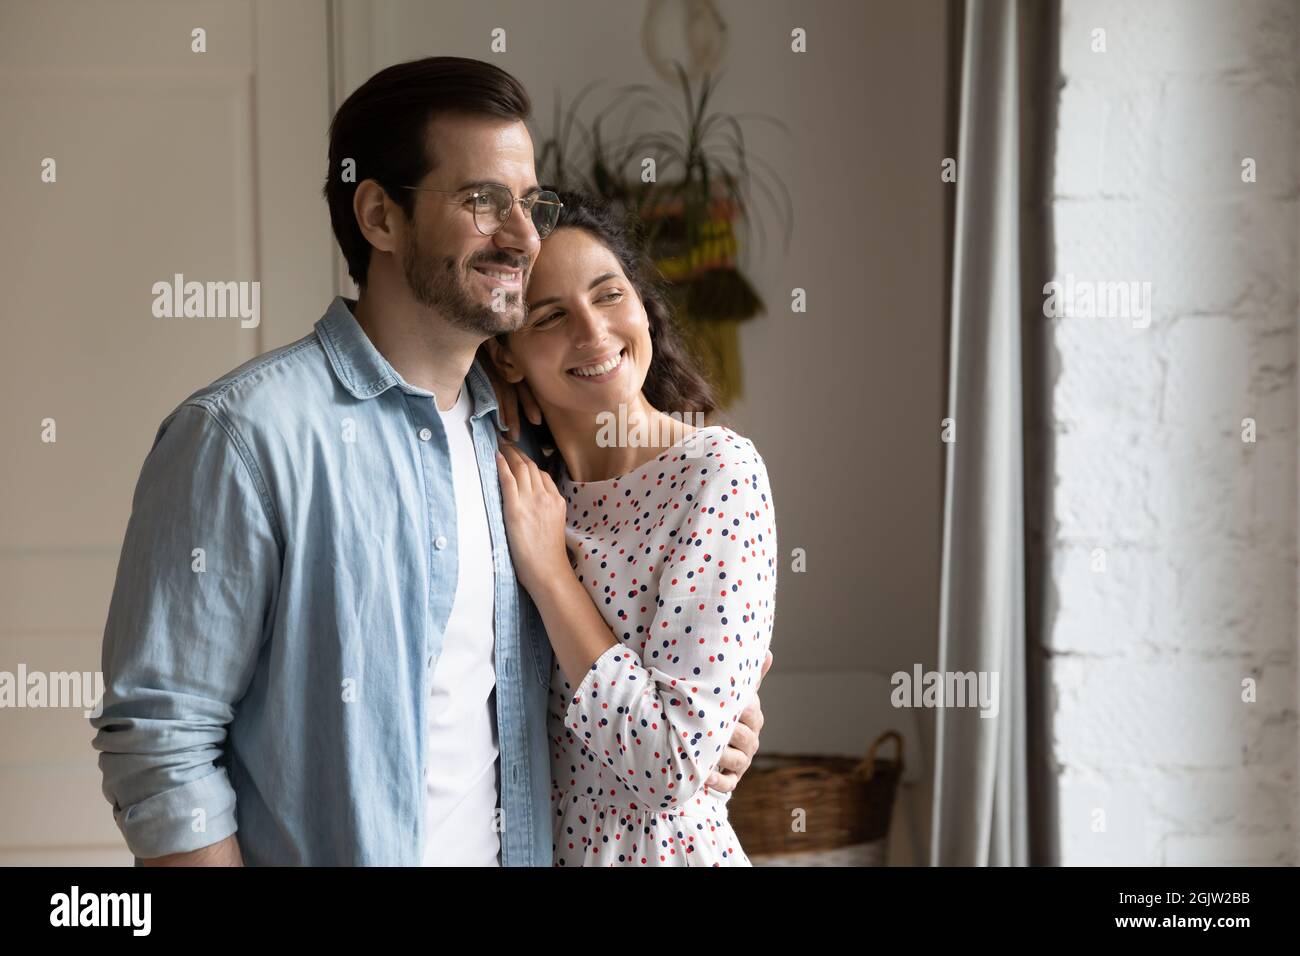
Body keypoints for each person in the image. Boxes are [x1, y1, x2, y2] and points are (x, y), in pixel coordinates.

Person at [90, 56, 766, 866]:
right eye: (482, 201)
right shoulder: (243, 437)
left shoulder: (520, 454)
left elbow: (632, 689)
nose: (521, 235)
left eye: (529, 202)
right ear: (379, 216)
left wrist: (724, 726)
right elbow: (162, 746)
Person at [488, 192, 777, 865]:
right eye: (550, 316)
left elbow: (670, 767)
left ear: (643, 305)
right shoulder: (524, 487)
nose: (592, 334)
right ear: (507, 357)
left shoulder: (718, 473)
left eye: (609, 294)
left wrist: (552, 575)